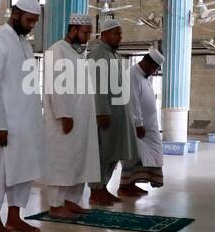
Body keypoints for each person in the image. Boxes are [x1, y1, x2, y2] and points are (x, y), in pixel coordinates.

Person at [0, 0, 43, 232]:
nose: (31, 26)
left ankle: (15, 218)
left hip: (26, 124)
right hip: (4, 124)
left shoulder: (25, 45)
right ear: (15, 14)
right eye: (29, 20)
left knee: (23, 171)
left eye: (35, 22)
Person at [42, 14, 101, 218]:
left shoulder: (77, 53)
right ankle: (56, 205)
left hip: (82, 118)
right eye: (85, 33)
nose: (87, 37)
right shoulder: (57, 50)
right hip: (65, 118)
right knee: (62, 160)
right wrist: (64, 114)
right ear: (73, 29)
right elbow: (56, 85)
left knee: (79, 159)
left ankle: (71, 200)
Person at [87, 14, 138, 205]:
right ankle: (95, 190)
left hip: (117, 115)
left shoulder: (112, 54)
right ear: (106, 34)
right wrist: (101, 111)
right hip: (105, 115)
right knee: (102, 153)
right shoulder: (97, 54)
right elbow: (97, 86)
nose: (120, 37)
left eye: (120, 33)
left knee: (113, 154)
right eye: (117, 33)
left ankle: (104, 188)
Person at [124, 48, 164, 191]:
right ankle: (125, 186)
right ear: (147, 62)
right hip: (138, 127)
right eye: (153, 68)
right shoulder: (132, 75)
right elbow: (132, 100)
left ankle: (132, 184)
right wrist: (138, 123)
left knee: (149, 155)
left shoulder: (143, 77)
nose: (153, 72)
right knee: (134, 156)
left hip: (148, 127)